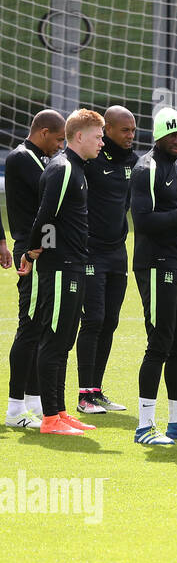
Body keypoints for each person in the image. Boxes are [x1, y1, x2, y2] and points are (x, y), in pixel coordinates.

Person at [16, 109, 103, 435]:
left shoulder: (77, 169)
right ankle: (49, 417)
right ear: (78, 136)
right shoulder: (63, 169)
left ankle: (59, 410)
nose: (101, 141)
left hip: (74, 267)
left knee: (64, 340)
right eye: (97, 136)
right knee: (52, 342)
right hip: (59, 269)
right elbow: (45, 215)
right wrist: (34, 249)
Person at [129, 106, 177, 445]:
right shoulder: (146, 169)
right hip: (156, 265)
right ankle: (144, 426)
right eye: (172, 134)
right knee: (159, 343)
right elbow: (143, 221)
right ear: (158, 135)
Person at [75, 105, 137, 415]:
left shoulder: (134, 162)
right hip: (91, 251)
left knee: (110, 321)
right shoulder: (90, 160)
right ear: (108, 130)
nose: (130, 136)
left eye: (133, 130)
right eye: (124, 130)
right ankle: (83, 394)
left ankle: (96, 390)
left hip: (118, 251)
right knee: (94, 318)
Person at [4, 109, 64, 429]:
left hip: (46, 250)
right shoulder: (21, 158)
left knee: (41, 328)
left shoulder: (41, 157)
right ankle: (14, 410)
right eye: (57, 139)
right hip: (32, 251)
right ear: (42, 132)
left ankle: (33, 402)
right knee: (29, 327)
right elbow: (49, 199)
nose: (59, 146)